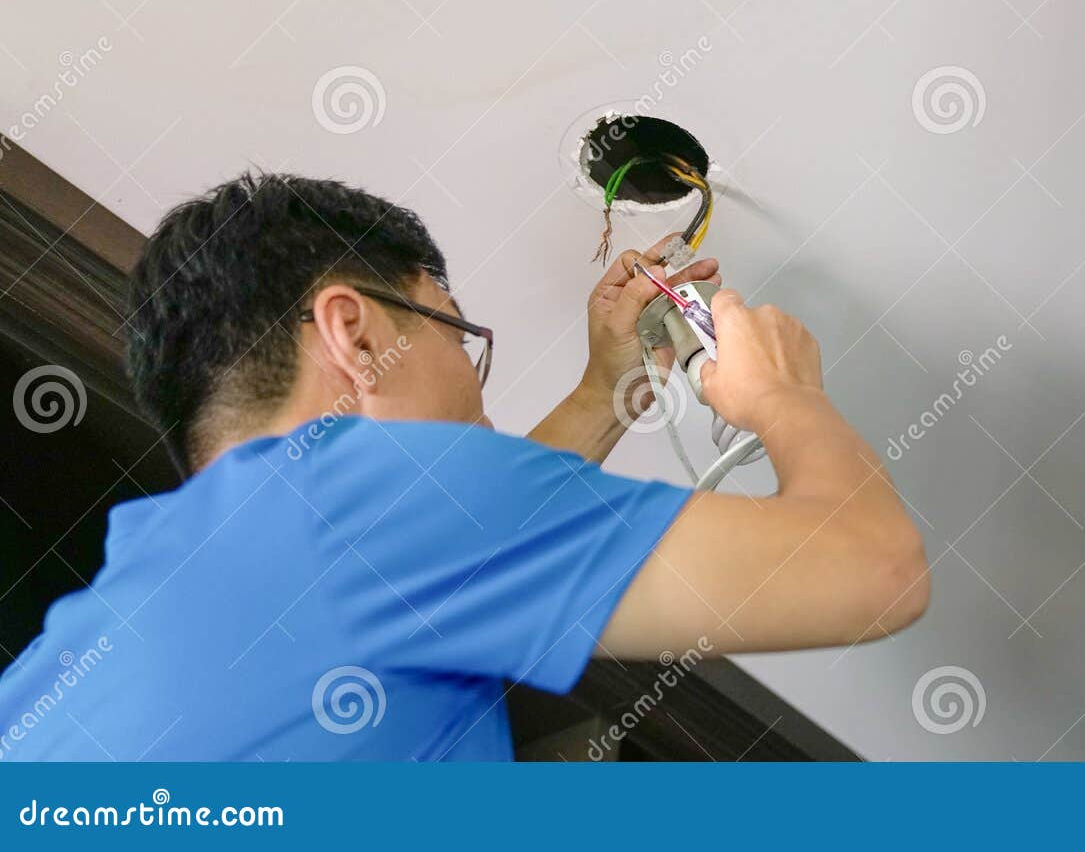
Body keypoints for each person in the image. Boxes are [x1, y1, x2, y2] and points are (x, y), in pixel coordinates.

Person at [0, 173, 927, 760]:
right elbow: (874, 570)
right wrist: (783, 396)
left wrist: (604, 391)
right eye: (456, 335)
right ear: (355, 333)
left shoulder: (89, 643)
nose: (479, 399)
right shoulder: (360, 503)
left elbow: (440, 565)